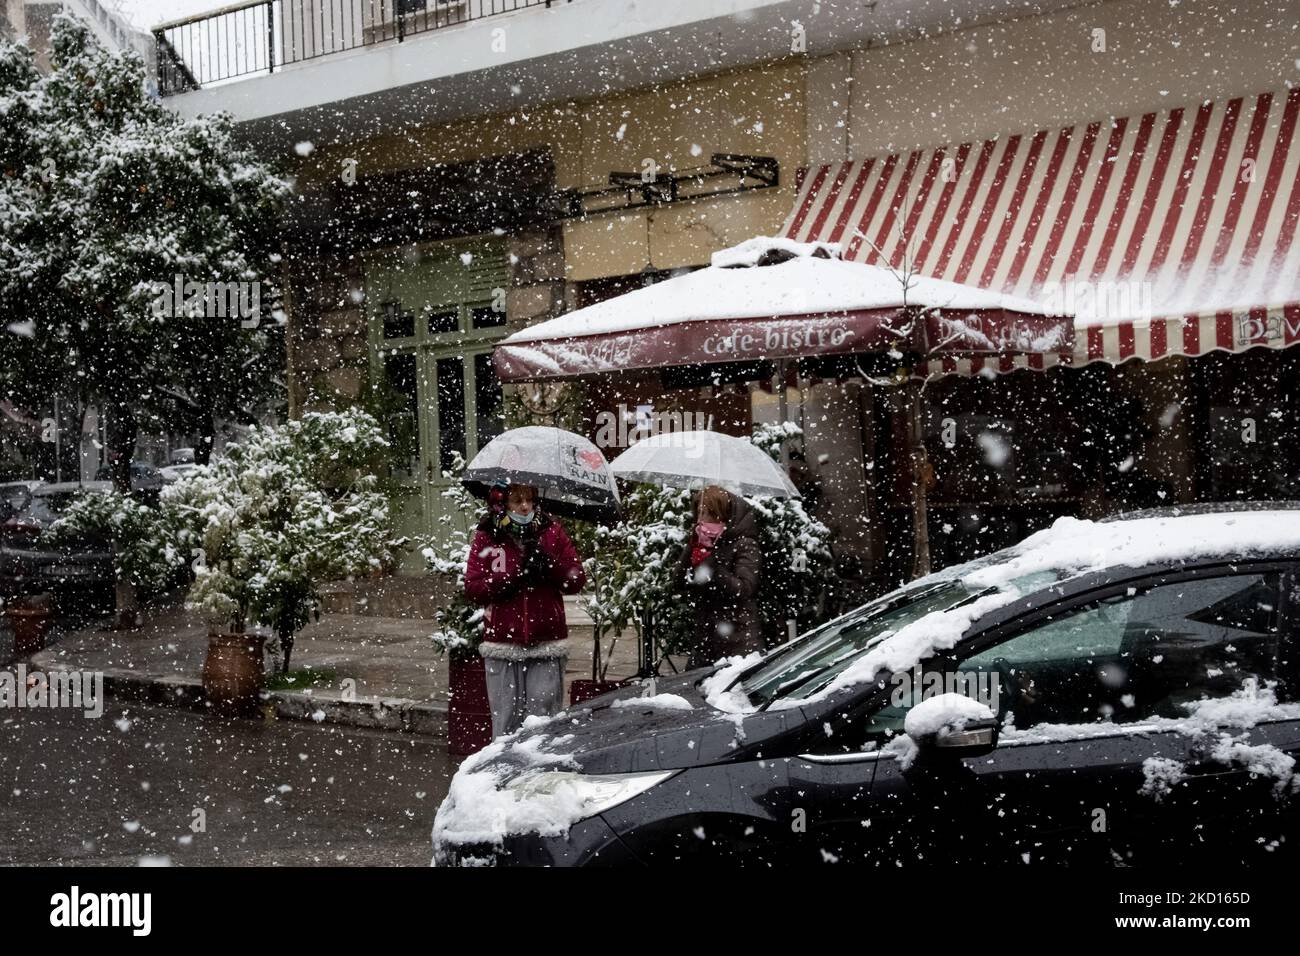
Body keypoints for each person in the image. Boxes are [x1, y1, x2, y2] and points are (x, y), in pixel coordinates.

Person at [463, 481, 586, 737]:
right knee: (505, 725)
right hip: (502, 643)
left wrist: (549, 566)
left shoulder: (551, 532)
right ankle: (502, 776)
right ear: (502, 503)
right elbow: (473, 588)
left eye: (529, 499)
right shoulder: (488, 535)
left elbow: (576, 579)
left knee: (543, 725)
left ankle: (540, 776)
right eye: (517, 500)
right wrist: (511, 577)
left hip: (546, 641)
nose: (524, 506)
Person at [678, 484, 762, 669]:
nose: (701, 519)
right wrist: (692, 548)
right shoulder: (701, 542)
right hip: (706, 638)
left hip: (737, 639)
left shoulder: (744, 544)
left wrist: (711, 564)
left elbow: (744, 588)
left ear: (721, 515)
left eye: (707, 513)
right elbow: (679, 582)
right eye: (699, 512)